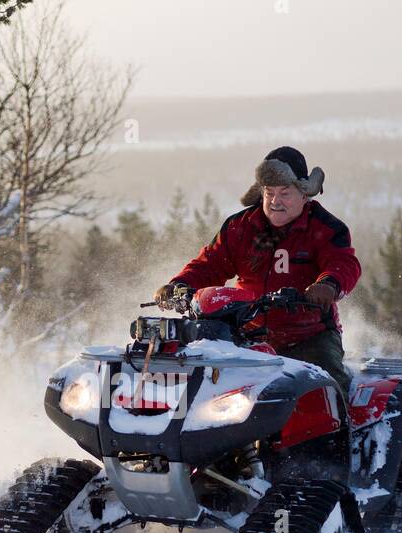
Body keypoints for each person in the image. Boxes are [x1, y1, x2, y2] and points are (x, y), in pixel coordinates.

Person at [154, 146, 360, 399]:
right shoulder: (240, 227)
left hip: (309, 336)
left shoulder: (326, 228)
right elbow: (210, 265)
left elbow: (343, 263)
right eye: (269, 193)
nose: (275, 201)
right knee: (205, 385)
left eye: (285, 193)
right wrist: (179, 285)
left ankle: (345, 435)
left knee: (327, 387)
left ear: (304, 194)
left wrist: (328, 285)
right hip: (245, 336)